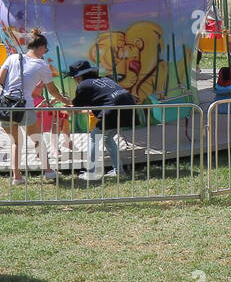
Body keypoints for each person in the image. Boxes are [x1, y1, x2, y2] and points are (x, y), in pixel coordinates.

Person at [0, 33, 69, 184]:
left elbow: (0, 79)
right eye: (45, 49)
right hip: (25, 106)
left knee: (14, 142)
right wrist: (65, 100)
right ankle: (48, 171)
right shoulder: (41, 65)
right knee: (37, 139)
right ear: (42, 47)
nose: (45, 51)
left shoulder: (12, 58)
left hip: (5, 106)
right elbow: (52, 90)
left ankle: (17, 177)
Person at [68, 60, 134, 181]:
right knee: (107, 138)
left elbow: (76, 109)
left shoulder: (83, 85)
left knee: (94, 137)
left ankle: (91, 172)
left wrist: (65, 108)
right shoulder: (105, 79)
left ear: (78, 76)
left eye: (74, 77)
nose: (74, 80)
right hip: (129, 107)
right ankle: (119, 170)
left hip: (113, 109)